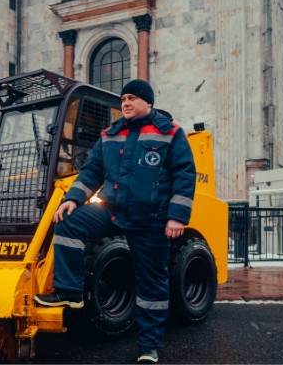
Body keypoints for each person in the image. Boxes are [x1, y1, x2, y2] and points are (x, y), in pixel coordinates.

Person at [34, 79, 196, 364]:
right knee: (69, 221)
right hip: (113, 210)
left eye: (132, 98)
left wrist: (176, 217)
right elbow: (91, 171)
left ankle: (148, 348)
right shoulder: (110, 134)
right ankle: (70, 292)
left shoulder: (170, 132)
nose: (126, 103)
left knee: (152, 286)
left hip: (151, 220)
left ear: (148, 102)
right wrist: (73, 199)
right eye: (123, 99)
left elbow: (184, 175)